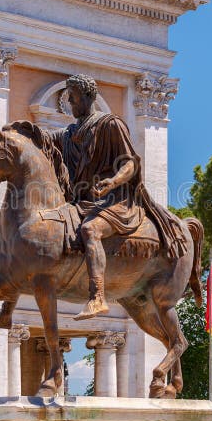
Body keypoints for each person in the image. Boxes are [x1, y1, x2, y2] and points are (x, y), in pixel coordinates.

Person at [49, 74, 187, 320]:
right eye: (69, 98)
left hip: (116, 201)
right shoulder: (69, 134)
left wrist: (113, 181)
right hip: (83, 202)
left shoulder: (110, 124)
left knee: (90, 230)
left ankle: (98, 297)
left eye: (74, 97)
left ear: (89, 97)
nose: (69, 102)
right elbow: (41, 141)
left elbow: (130, 164)